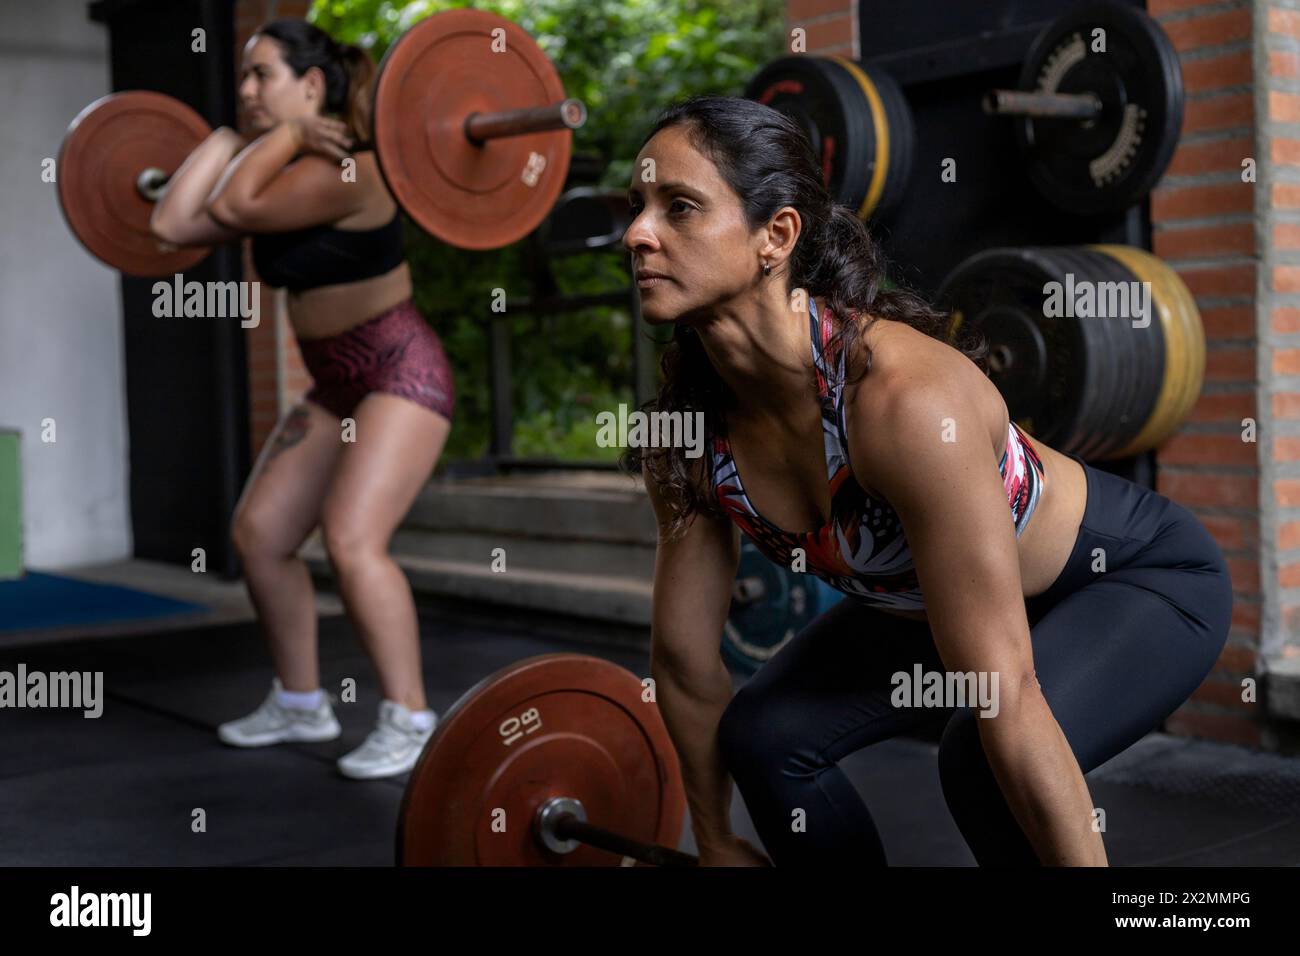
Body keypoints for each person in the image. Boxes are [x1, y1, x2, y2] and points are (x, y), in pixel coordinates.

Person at [622, 95, 1233, 866]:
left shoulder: (903, 404)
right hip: (940, 608)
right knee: (766, 734)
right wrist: (715, 841)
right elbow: (681, 659)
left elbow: (1004, 690)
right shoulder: (689, 436)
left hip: (1131, 582)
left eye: (678, 208)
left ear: (775, 235)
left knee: (977, 761)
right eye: (635, 207)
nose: (637, 234)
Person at [150, 18, 454, 779]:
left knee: (352, 540)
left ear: (312, 87)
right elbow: (168, 224)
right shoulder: (280, 165)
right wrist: (229, 136)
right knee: (259, 535)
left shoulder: (351, 169)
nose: (246, 88)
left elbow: (234, 212)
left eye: (262, 76)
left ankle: (412, 718)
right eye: (243, 77)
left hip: (398, 372)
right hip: (335, 383)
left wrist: (275, 141)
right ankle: (299, 701)